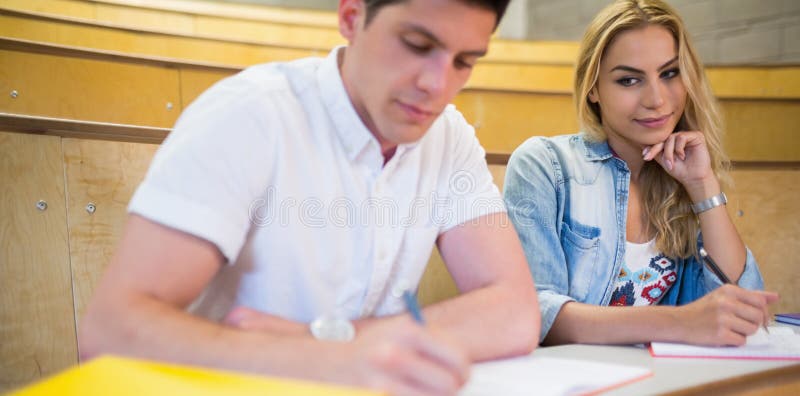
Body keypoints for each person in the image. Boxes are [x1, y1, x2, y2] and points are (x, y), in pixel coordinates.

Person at [79, 0, 540, 394]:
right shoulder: (251, 114)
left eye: (465, 61)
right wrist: (329, 359)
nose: (437, 85)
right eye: (417, 45)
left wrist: (330, 340)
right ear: (351, 16)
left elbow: (514, 313)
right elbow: (112, 329)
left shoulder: (449, 135)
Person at [503, 0, 777, 347]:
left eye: (669, 73)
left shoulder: (686, 178)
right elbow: (535, 311)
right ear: (593, 88)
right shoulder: (545, 165)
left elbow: (743, 305)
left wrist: (702, 185)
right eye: (629, 80)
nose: (657, 99)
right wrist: (679, 323)